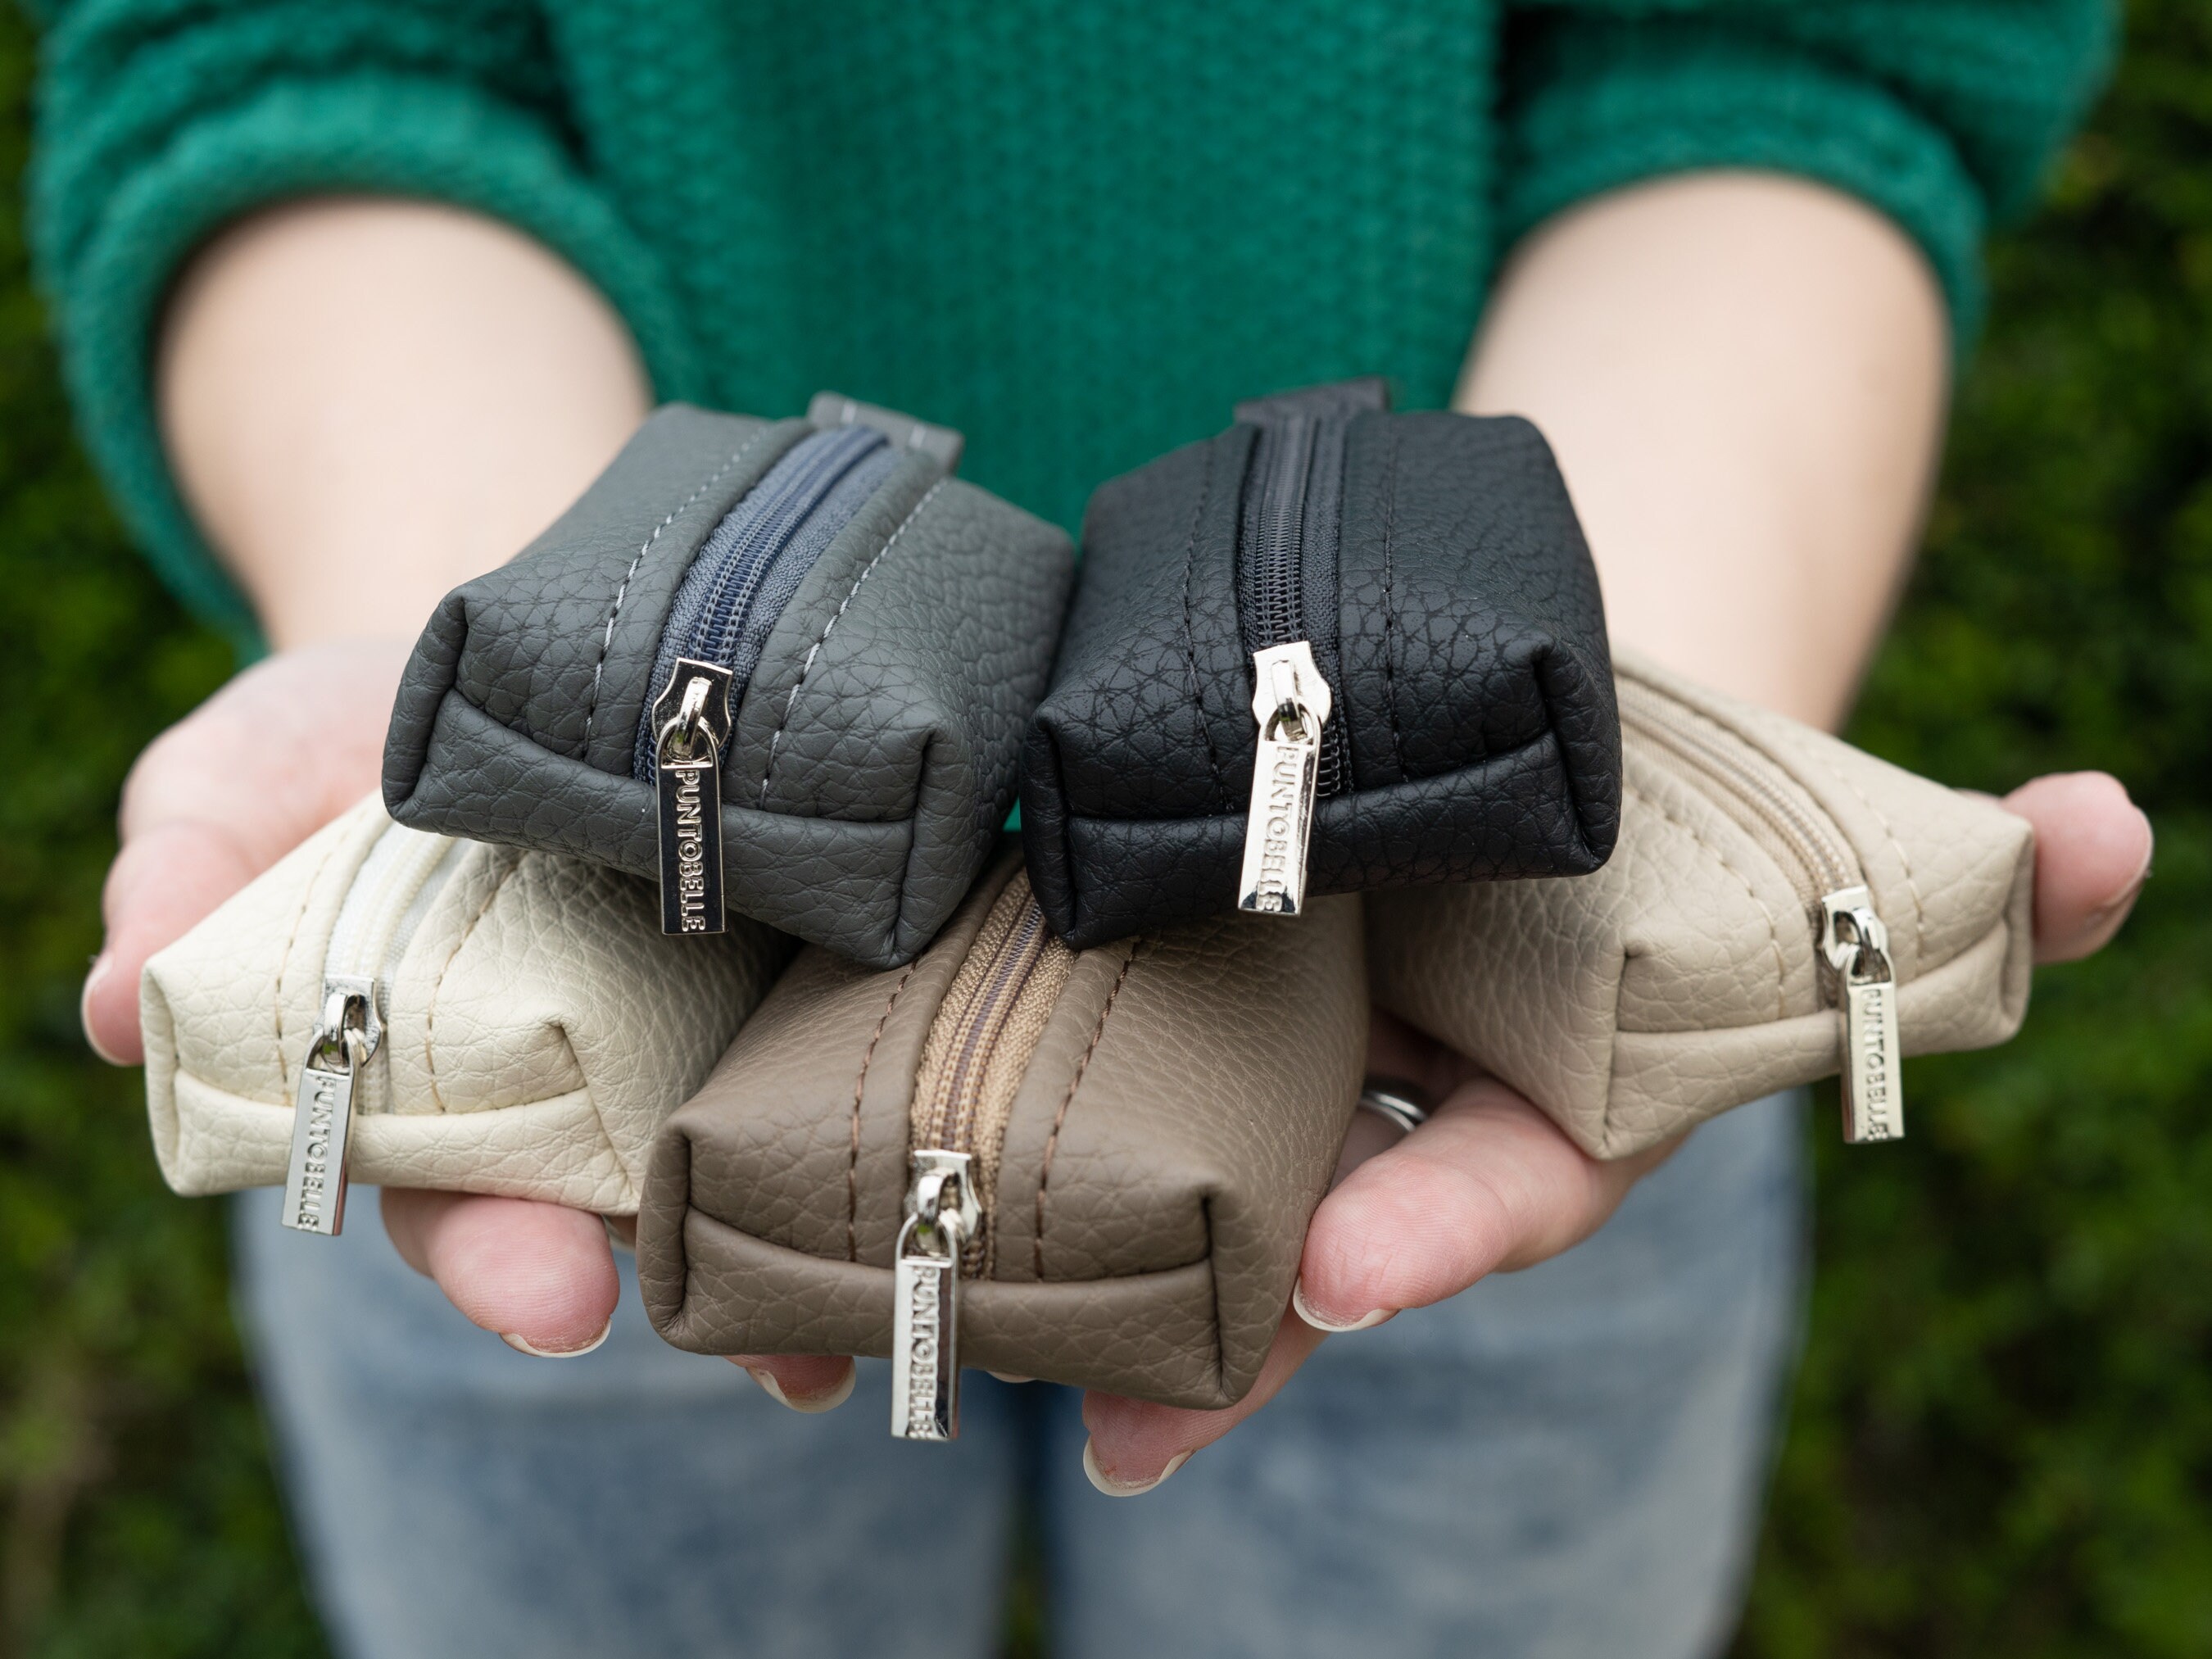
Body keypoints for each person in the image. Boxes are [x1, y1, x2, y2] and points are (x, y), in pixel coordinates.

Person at [39, 3, 2151, 1655]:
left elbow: (1785, 54)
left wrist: (1618, 761)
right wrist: (508, 679)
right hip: (560, 1062)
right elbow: (298, 54)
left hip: (1452, 1005)